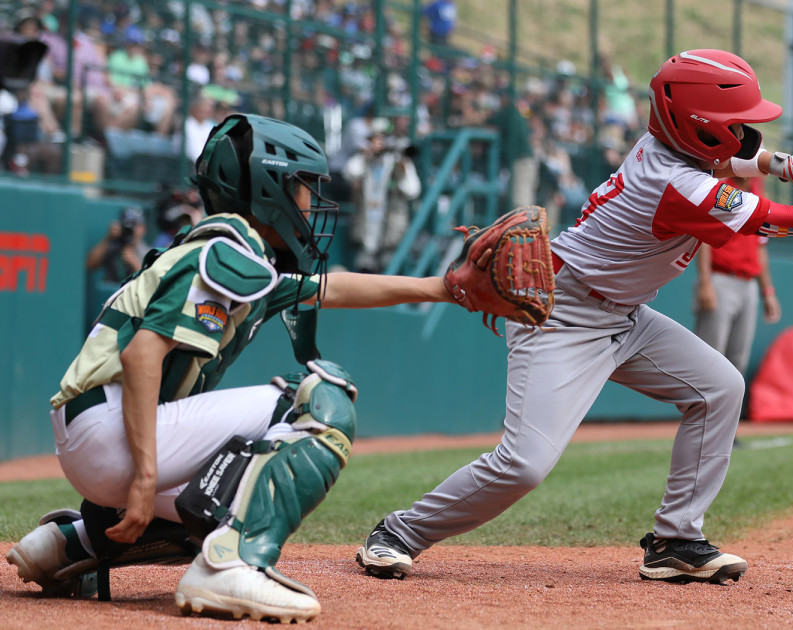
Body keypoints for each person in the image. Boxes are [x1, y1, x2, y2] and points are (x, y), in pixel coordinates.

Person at [354, 49, 793, 586]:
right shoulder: (677, 183)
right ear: (696, 124)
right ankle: (400, 532)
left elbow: (727, 156)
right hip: (563, 315)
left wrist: (778, 163)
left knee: (720, 388)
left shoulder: (671, 147)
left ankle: (676, 540)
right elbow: (786, 223)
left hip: (624, 316)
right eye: (735, 120)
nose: (746, 128)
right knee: (524, 463)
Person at [5, 114, 464, 623]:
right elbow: (141, 356)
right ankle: (230, 566)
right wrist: (143, 479)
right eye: (305, 186)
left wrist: (442, 288)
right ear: (270, 187)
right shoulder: (230, 253)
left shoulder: (221, 248)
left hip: (93, 433)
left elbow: (334, 288)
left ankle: (70, 545)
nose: (312, 201)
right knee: (318, 395)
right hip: (111, 433)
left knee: (228, 496)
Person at [693, 175, 781, 408]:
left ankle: (726, 429)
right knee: (710, 359)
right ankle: (700, 425)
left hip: (748, 284)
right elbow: (704, 239)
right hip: (720, 278)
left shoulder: (757, 190)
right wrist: (705, 282)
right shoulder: (721, 186)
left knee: (737, 362)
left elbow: (761, 247)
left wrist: (768, 292)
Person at [345, 129, 422, 273]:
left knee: (388, 270)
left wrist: (403, 169)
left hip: (389, 231)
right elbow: (350, 172)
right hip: (367, 225)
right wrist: (367, 154)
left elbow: (413, 190)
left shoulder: (397, 162)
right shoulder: (366, 159)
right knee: (364, 271)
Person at [85, 206, 151, 284]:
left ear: (143, 228)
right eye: (127, 224)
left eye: (135, 225)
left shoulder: (148, 253)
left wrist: (133, 261)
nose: (132, 229)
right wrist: (108, 239)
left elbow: (149, 282)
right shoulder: (113, 247)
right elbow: (90, 265)